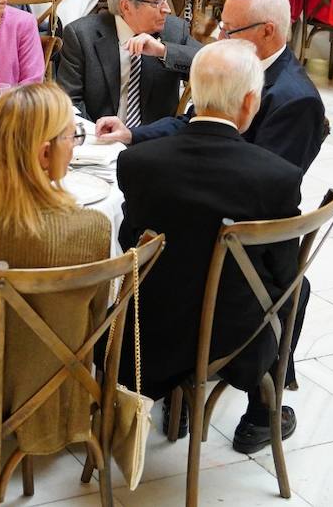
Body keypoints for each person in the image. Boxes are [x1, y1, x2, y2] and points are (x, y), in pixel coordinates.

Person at [116, 39, 308, 455]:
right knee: (299, 286)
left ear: (194, 96)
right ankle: (262, 413)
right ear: (249, 102)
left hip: (148, 334)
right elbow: (284, 271)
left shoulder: (136, 162)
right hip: (232, 341)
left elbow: (129, 243)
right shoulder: (276, 176)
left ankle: (176, 406)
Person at [0, 81, 111, 487]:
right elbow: (98, 316)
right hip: (62, 385)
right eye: (71, 136)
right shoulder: (92, 227)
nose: (75, 146)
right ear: (45, 153)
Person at [98, 0, 327, 173]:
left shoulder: (296, 100)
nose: (220, 39)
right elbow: (193, 121)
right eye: (221, 27)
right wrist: (131, 134)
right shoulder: (236, 65)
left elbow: (266, 181)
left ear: (267, 31)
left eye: (230, 30)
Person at [57, 0, 198, 124]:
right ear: (126, 6)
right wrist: (96, 135)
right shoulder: (82, 36)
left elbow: (215, 64)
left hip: (153, 139)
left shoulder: (173, 30)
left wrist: (163, 51)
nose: (166, 8)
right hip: (99, 139)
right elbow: (69, 101)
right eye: (157, 2)